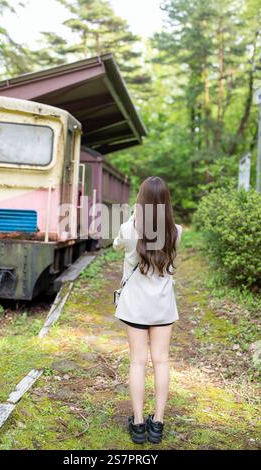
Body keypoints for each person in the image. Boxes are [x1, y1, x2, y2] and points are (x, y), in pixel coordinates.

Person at [113, 176, 182, 444]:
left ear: (140, 201)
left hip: (135, 307)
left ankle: (139, 424)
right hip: (163, 306)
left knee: (137, 362)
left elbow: (118, 245)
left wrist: (134, 216)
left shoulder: (129, 229)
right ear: (166, 202)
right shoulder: (175, 231)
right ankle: (158, 424)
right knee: (161, 361)